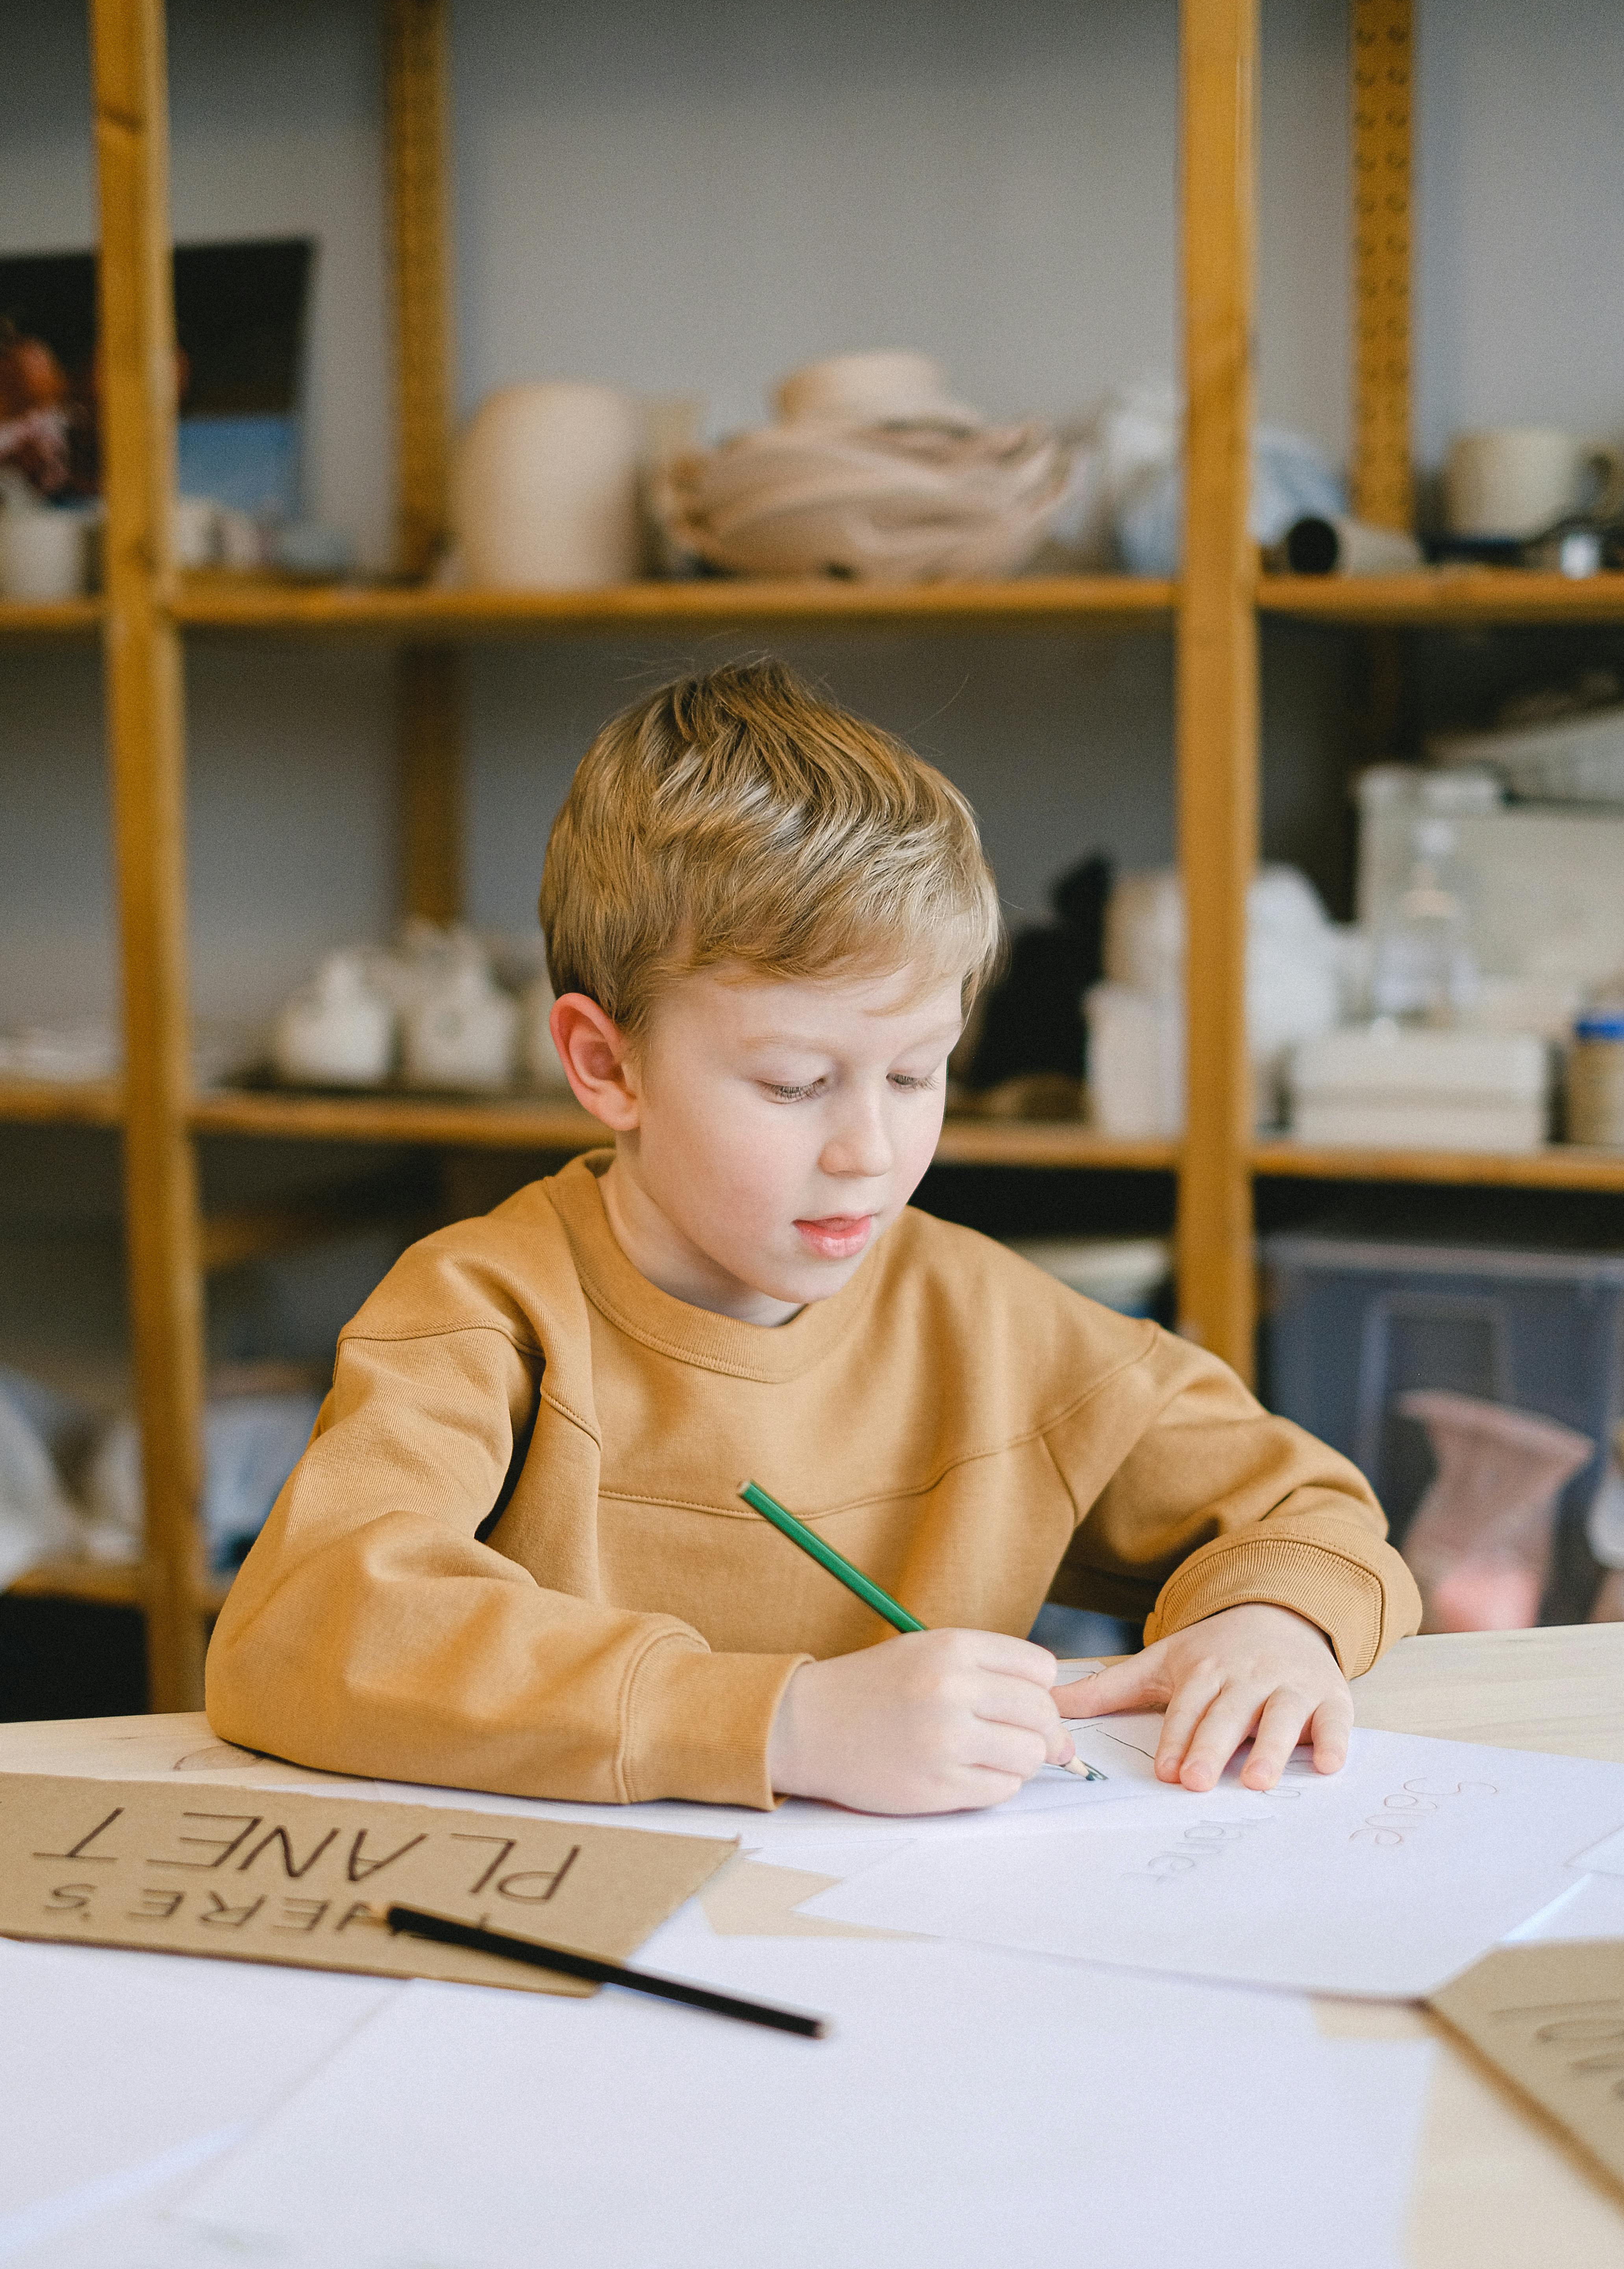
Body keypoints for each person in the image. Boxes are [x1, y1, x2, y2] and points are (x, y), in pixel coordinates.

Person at [206, 660, 1419, 1814]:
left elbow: (1307, 1506)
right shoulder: (486, 1312)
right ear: (605, 1063)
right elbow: (303, 1628)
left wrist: (1276, 1624)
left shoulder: (988, 1320)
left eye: (917, 1073)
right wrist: (784, 1722)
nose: (869, 1151)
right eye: (795, 1083)